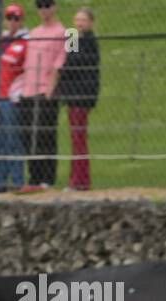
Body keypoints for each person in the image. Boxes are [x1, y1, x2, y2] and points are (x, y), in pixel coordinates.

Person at [16, 0, 66, 192]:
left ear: (55, 7)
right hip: (28, 90)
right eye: (40, 6)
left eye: (47, 5)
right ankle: (34, 178)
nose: (43, 10)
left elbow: (60, 62)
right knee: (29, 136)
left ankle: (47, 179)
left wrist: (50, 90)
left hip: (45, 90)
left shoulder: (63, 32)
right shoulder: (34, 33)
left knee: (46, 135)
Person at [56, 7, 100, 191]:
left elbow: (76, 61)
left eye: (83, 20)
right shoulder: (73, 36)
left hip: (82, 94)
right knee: (75, 138)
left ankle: (81, 181)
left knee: (79, 138)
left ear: (90, 23)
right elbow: (69, 60)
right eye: (77, 20)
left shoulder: (90, 41)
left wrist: (66, 66)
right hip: (72, 93)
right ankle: (77, 179)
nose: (79, 23)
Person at [0, 4, 29, 193]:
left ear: (22, 20)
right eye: (9, 18)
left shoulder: (25, 42)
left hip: (13, 97)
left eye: (16, 18)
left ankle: (17, 180)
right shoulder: (0, 40)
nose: (13, 21)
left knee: (13, 139)